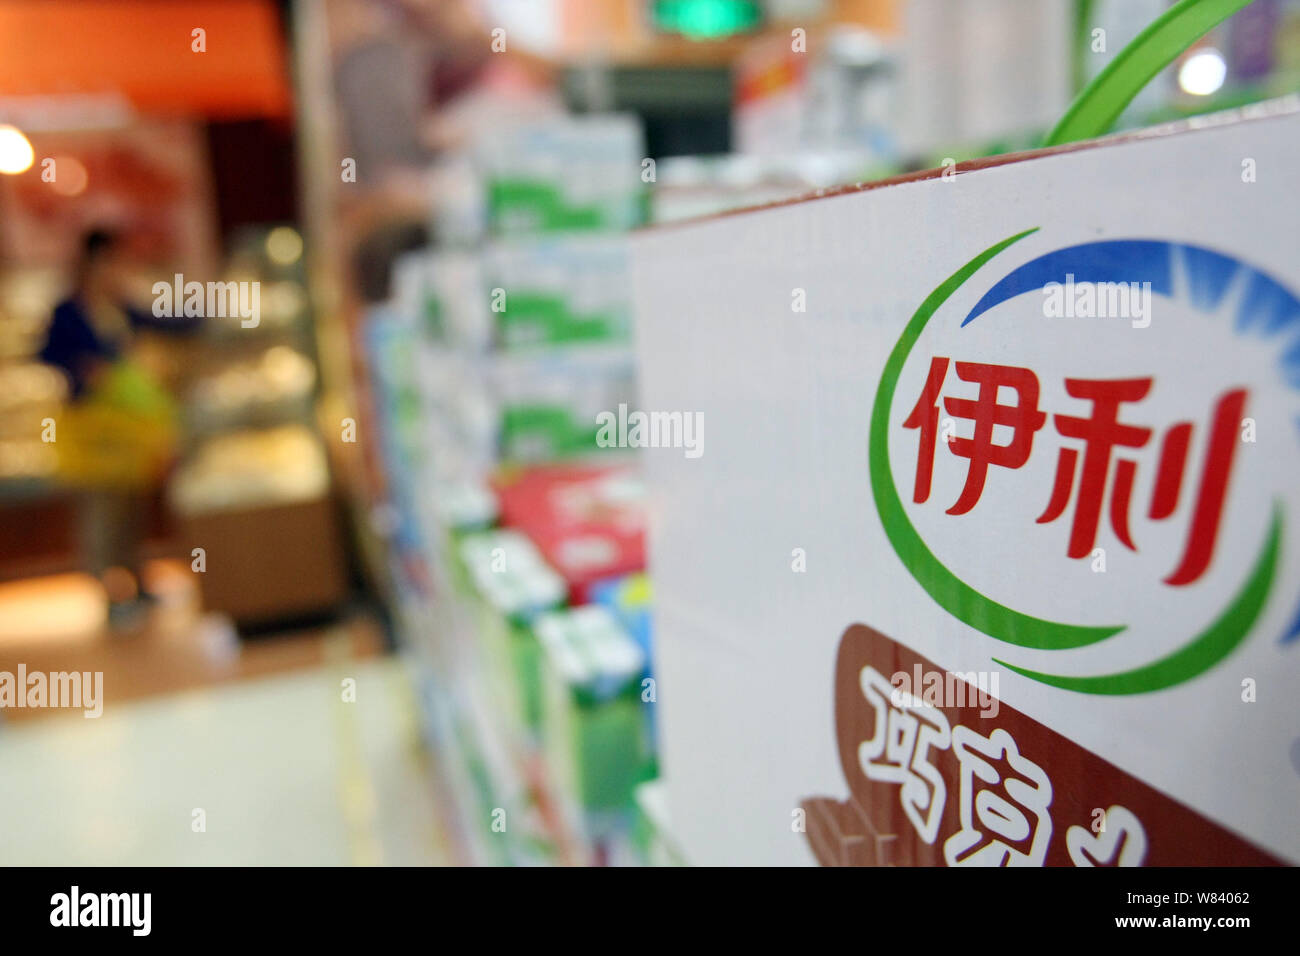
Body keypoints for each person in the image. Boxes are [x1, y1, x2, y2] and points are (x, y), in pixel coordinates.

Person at [40, 228, 194, 628]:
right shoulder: (69, 311)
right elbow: (49, 354)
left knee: (131, 510)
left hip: (126, 429)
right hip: (92, 431)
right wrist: (83, 369)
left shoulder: (118, 306)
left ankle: (137, 582)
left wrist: (215, 312)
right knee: (102, 515)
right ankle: (110, 595)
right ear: (95, 263)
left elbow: (164, 322)